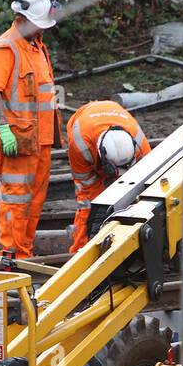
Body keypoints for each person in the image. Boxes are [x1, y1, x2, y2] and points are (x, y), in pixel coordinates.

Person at [0, 0, 62, 261]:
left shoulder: (36, 46)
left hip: (39, 140)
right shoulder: (5, 48)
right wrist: (4, 131)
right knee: (16, 199)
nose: (42, 30)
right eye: (38, 25)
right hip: (16, 140)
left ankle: (23, 254)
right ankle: (11, 256)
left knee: (34, 201)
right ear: (20, 19)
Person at [66, 100, 152, 252]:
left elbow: (148, 186)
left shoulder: (140, 145)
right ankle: (80, 248)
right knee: (88, 205)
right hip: (83, 121)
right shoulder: (80, 144)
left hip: (110, 117)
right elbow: (87, 189)